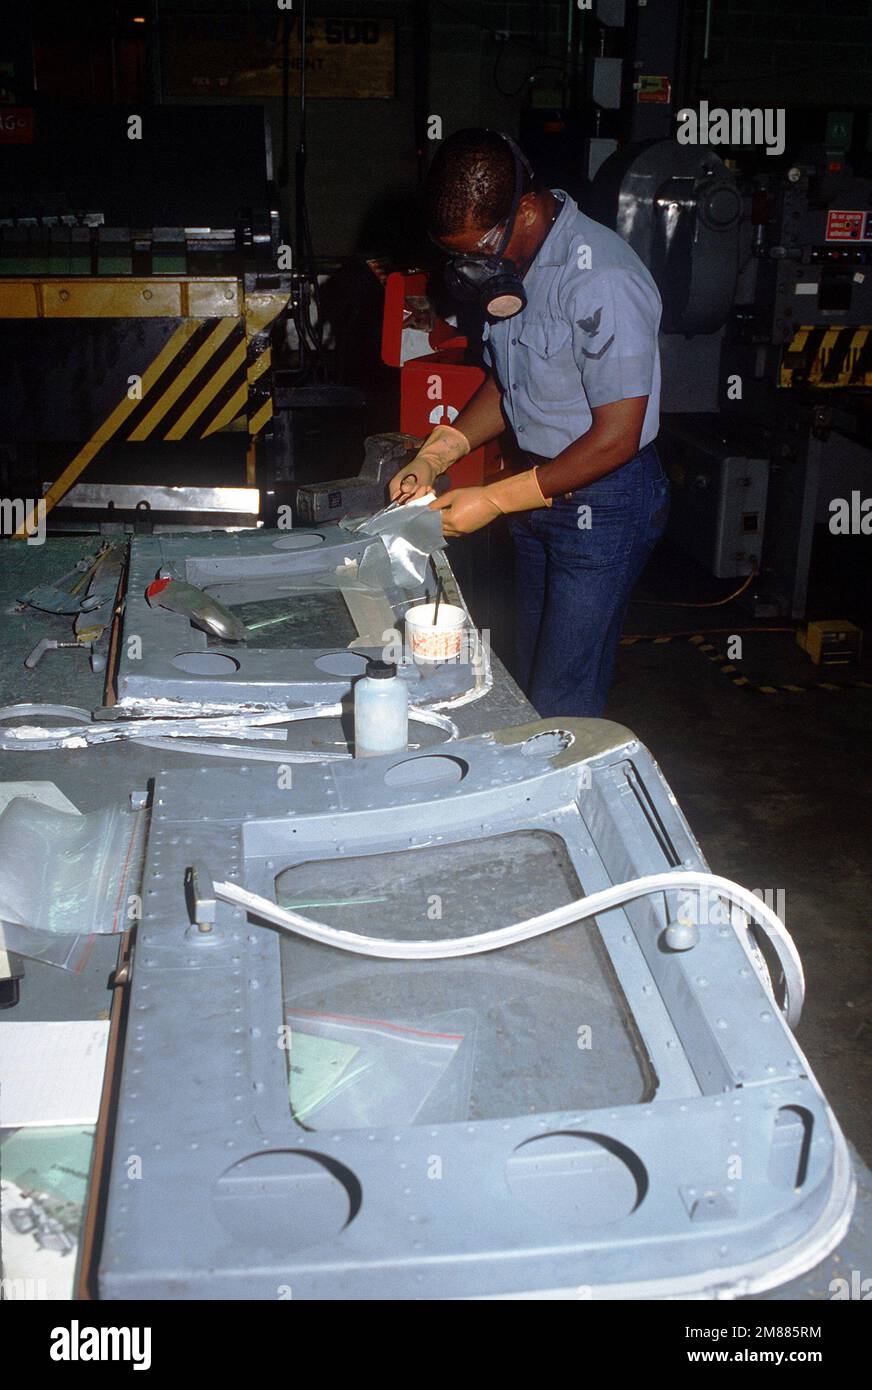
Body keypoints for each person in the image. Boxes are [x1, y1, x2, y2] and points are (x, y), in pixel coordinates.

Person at [388, 128, 669, 718]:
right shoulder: (513, 271)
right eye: (458, 254)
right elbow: (507, 382)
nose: (473, 266)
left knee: (563, 691)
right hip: (536, 491)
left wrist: (492, 499)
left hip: (604, 499)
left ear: (528, 208)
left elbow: (616, 436)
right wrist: (438, 453)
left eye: (481, 246)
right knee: (526, 669)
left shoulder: (600, 278)